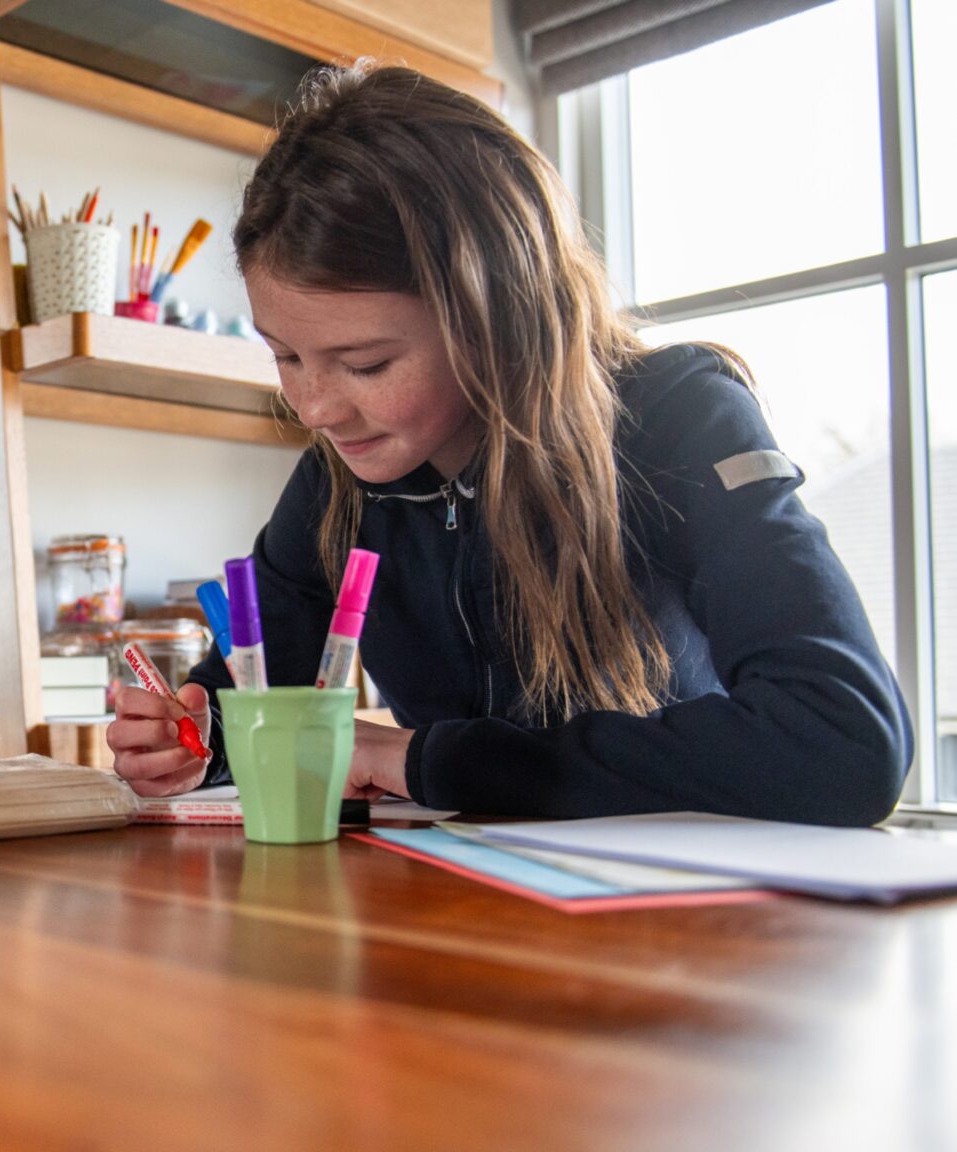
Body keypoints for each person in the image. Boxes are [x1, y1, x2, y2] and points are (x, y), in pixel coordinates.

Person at [109, 64, 912, 827]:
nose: (315, 408)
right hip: (463, 910)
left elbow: (843, 742)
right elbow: (250, 690)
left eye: (365, 364)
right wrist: (196, 739)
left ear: (496, 317)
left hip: (685, 925)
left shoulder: (679, 419)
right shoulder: (337, 486)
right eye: (284, 354)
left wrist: (431, 761)